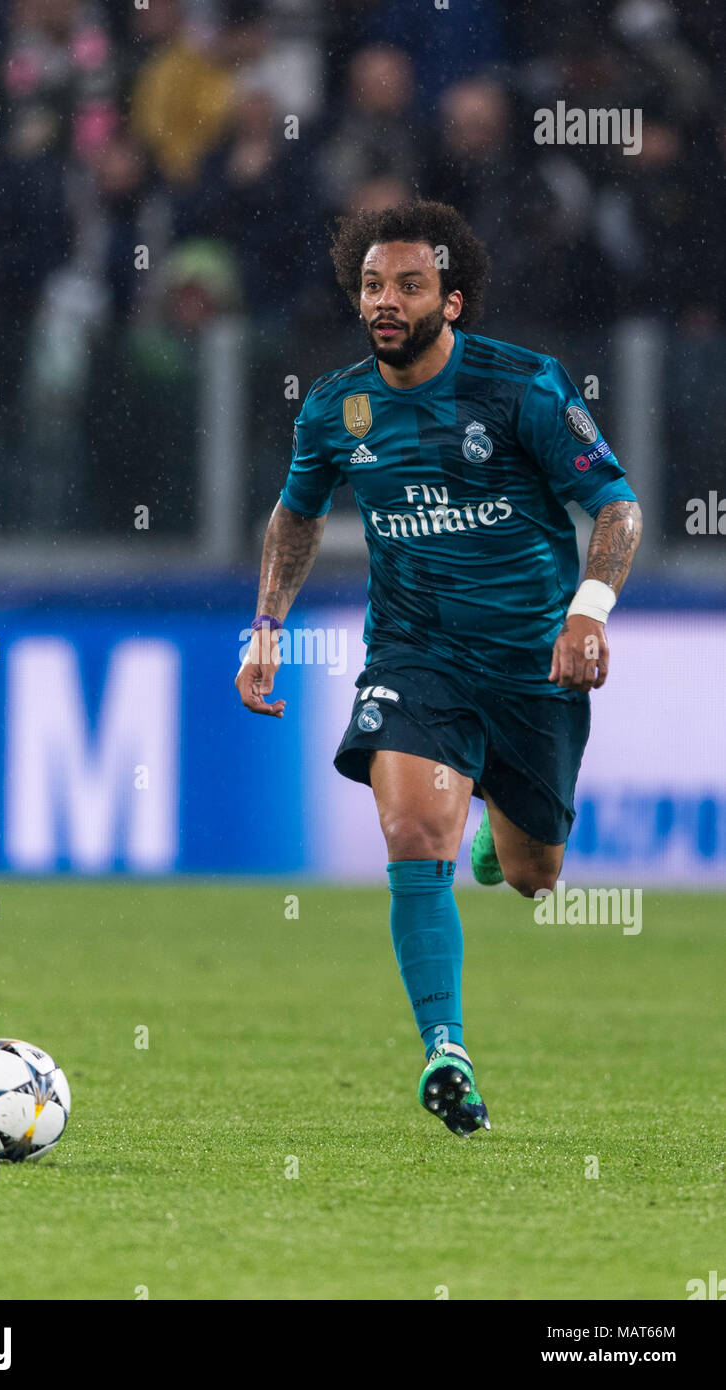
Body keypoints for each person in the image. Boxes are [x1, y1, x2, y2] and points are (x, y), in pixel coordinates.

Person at [235, 199, 642, 1137]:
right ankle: (446, 1050)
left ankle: (506, 828)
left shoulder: (524, 388)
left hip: (533, 664)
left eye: (409, 284)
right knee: (415, 831)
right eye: (373, 284)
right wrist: (266, 624)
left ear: (451, 301)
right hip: (415, 656)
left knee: (537, 875)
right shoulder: (337, 407)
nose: (386, 300)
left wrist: (587, 615)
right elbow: (296, 514)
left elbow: (616, 507)